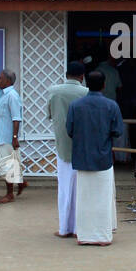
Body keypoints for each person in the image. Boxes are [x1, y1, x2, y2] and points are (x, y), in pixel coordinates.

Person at [65, 69, 124, 245]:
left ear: (86, 84)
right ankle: (102, 236)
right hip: (103, 157)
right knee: (102, 199)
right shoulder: (111, 105)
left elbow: (69, 130)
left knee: (84, 198)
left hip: (82, 156)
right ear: (104, 85)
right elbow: (118, 131)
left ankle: (83, 236)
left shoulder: (75, 106)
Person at [46, 62, 87, 237]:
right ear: (82, 77)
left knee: (64, 188)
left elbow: (49, 115)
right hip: (82, 146)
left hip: (62, 145)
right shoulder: (85, 93)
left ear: (66, 74)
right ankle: (78, 228)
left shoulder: (54, 91)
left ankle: (64, 228)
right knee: (80, 189)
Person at [0, 70, 24, 203]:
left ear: (8, 81)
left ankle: (9, 194)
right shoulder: (1, 95)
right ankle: (20, 183)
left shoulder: (12, 96)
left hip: (6, 138)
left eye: (0, 78)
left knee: (7, 166)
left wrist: (14, 137)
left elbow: (16, 118)